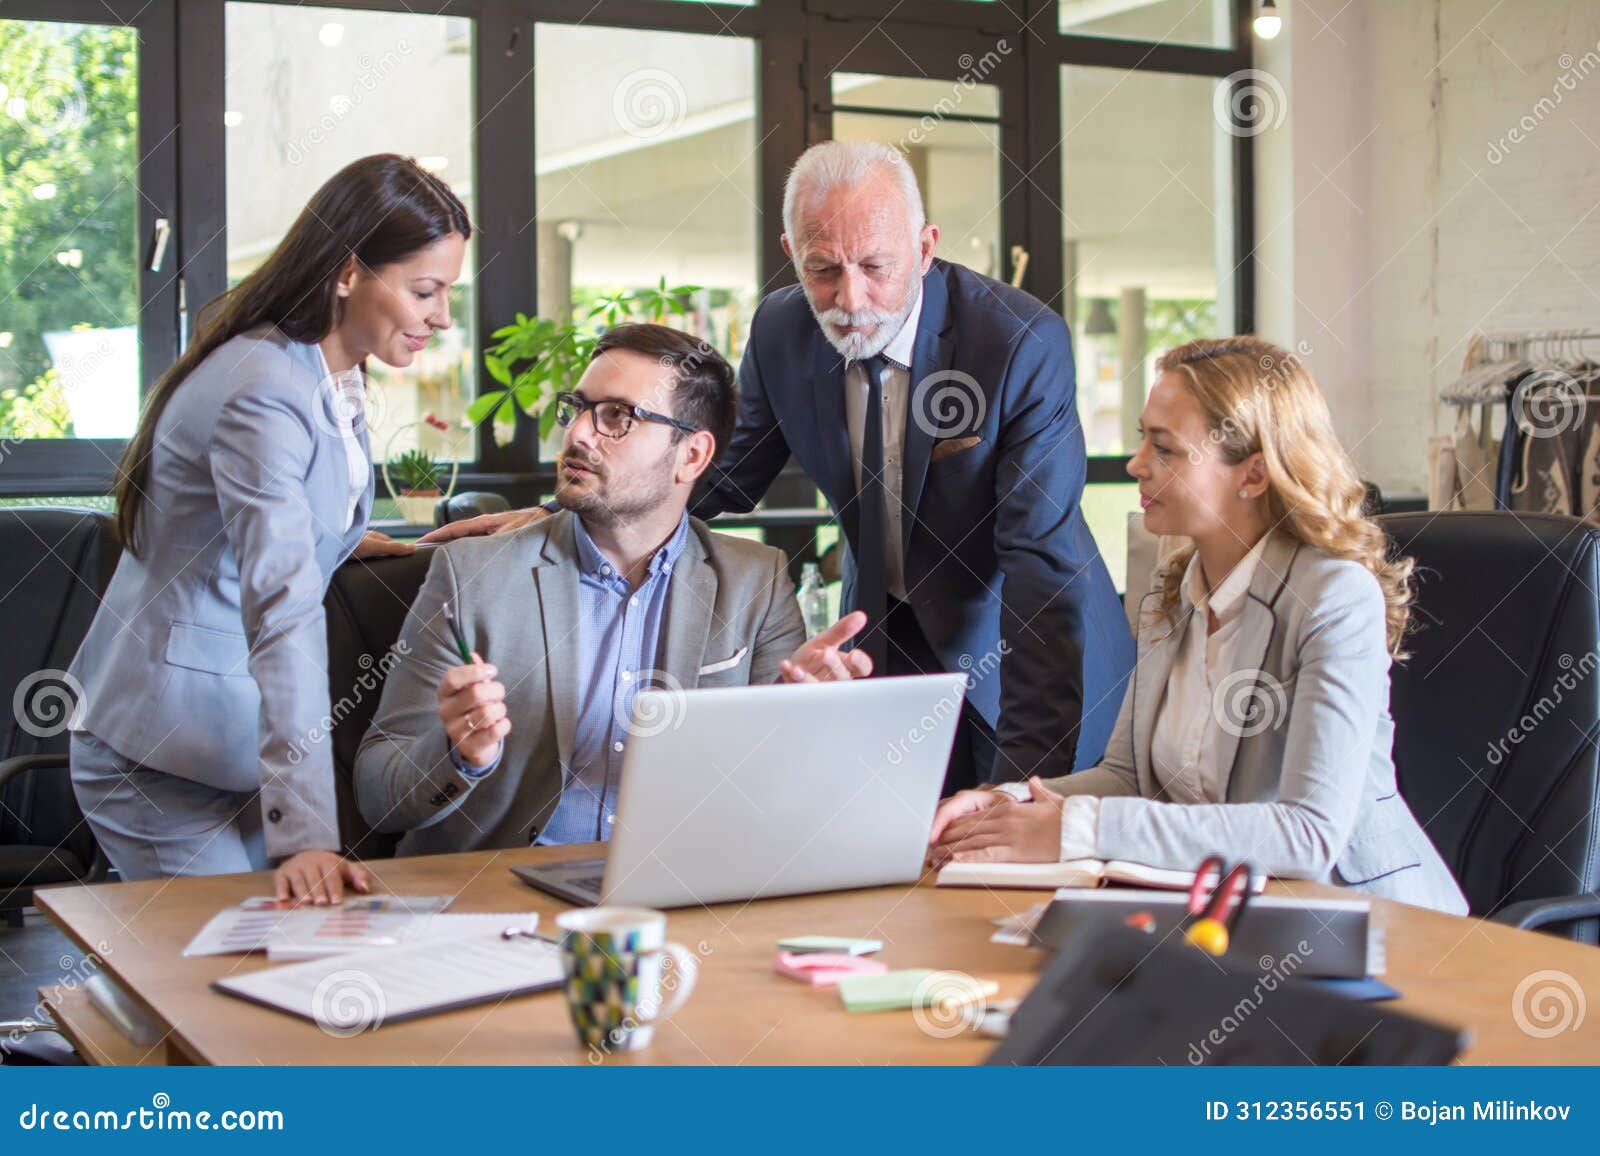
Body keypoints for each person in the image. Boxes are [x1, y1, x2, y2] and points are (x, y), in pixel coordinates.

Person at [419, 139, 1134, 796]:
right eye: (822, 269)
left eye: (877, 268)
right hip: (886, 642)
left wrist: (1017, 791)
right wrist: (567, 512)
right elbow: (722, 477)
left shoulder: (1015, 342)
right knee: (895, 859)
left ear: (925, 247)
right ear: (791, 251)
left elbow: (1040, 569)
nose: (850, 300)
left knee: (1003, 864)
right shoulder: (783, 327)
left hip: (1028, 650)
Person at [928, 337, 1468, 914]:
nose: (1137, 464)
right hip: (1218, 915)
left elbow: (1308, 835)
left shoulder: (1333, 599)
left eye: (1165, 449)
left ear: (1253, 475)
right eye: (1142, 439)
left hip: (1362, 922)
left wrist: (1078, 828)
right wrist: (1005, 804)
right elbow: (1127, 775)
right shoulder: (1173, 593)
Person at [68, 154, 470, 904]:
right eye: (425, 291)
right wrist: (310, 835)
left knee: (274, 962)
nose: (441, 317)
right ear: (349, 273)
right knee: (231, 972)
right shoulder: (262, 388)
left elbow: (290, 519)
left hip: (234, 744)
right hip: (160, 752)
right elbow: (282, 606)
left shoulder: (331, 371)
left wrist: (366, 544)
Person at [355, 323, 873, 854]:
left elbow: (772, 798)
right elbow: (377, 794)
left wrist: (799, 726)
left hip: (676, 902)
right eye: (578, 407)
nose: (579, 433)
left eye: (617, 416)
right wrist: (461, 754)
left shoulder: (755, 584)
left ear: (691, 456)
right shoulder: (470, 576)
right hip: (501, 900)